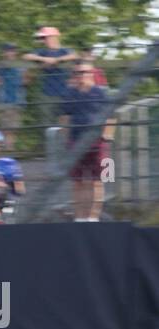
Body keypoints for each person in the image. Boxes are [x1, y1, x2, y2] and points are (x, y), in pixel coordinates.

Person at [60, 63, 114, 222]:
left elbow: (111, 116)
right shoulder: (69, 94)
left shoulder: (102, 93)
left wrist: (107, 135)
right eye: (77, 72)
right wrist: (65, 139)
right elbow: (65, 117)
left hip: (97, 143)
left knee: (97, 181)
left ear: (92, 73)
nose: (80, 75)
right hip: (75, 143)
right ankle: (80, 218)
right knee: (78, 182)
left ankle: (93, 218)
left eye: (84, 72)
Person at [24, 27, 77, 128]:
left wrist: (57, 60)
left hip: (64, 93)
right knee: (47, 124)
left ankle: (62, 143)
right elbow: (27, 56)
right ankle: (50, 143)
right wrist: (44, 59)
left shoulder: (64, 50)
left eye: (45, 37)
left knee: (64, 123)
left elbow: (74, 56)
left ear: (54, 37)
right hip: (47, 94)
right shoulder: (42, 51)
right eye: (43, 38)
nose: (43, 40)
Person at [0, 43, 27, 150]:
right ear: (3, 53)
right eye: (7, 51)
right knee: (5, 127)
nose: (9, 53)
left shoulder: (20, 67)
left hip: (17, 100)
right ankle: (7, 149)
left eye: (12, 51)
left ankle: (8, 149)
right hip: (4, 101)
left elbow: (26, 81)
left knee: (13, 129)